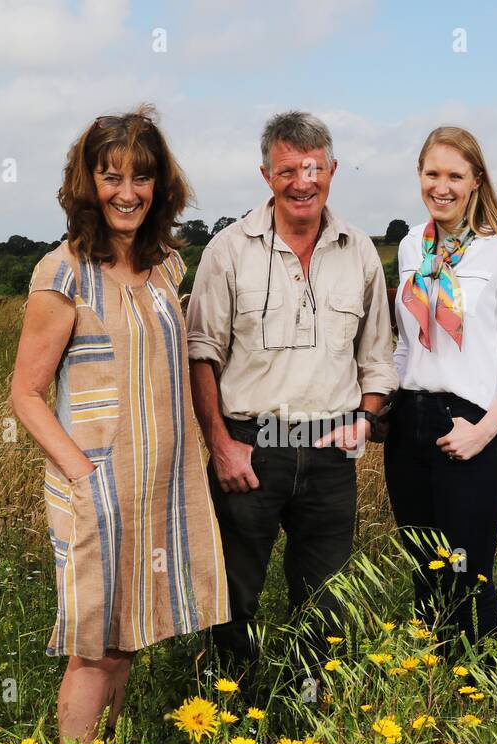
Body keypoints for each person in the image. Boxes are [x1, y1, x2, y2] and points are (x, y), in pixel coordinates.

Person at [10, 106, 229, 744]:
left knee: (126, 643)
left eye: (141, 177)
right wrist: (81, 475)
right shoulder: (62, 273)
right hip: (93, 488)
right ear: (88, 183)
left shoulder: (167, 265)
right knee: (92, 648)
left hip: (157, 489)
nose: (127, 192)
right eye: (111, 177)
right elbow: (24, 393)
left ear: (161, 185)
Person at [187, 110, 397, 682]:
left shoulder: (359, 252)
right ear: (266, 175)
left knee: (326, 601)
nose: (301, 182)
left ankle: (310, 710)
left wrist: (366, 419)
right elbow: (201, 354)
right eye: (287, 170)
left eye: (313, 168)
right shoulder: (227, 251)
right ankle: (229, 707)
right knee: (233, 595)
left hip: (331, 453)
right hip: (250, 449)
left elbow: (377, 357)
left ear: (331, 169)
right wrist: (222, 446)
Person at [385, 126, 497, 655]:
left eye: (456, 175)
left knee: (468, 575)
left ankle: (485, 696)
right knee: (426, 576)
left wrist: (483, 432)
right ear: (420, 176)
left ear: (476, 181)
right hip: (411, 426)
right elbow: (410, 344)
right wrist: (386, 403)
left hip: (473, 426)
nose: (443, 186)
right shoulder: (413, 245)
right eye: (433, 174)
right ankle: (433, 700)